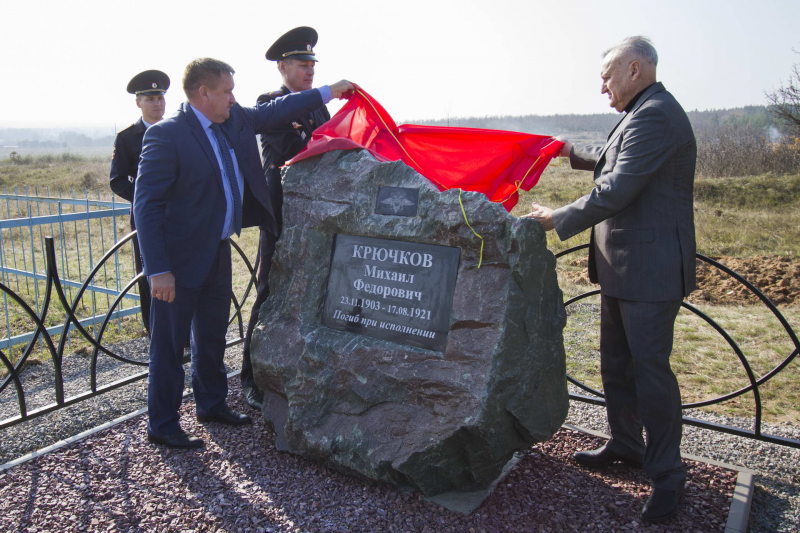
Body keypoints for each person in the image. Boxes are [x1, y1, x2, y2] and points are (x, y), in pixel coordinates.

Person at [134, 57, 353, 449]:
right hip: (178, 260)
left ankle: (212, 403)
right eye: (227, 91)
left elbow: (277, 110)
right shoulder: (167, 135)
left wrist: (328, 91)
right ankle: (163, 422)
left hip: (218, 250)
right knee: (169, 345)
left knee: (213, 334)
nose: (234, 99)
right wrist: (158, 270)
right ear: (204, 93)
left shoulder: (234, 120)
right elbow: (145, 206)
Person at [523, 36, 696, 523]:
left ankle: (667, 477)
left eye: (606, 76)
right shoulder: (642, 110)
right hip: (625, 266)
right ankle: (626, 444)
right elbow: (611, 154)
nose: (602, 87)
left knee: (651, 376)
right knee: (617, 367)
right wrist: (566, 150)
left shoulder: (657, 114)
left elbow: (618, 187)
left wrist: (557, 217)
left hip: (651, 269)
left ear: (635, 69)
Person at [240, 26, 332, 411]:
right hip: (281, 214)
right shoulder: (270, 103)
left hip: (315, 213)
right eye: (301, 63)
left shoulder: (315, 106)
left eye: (312, 63)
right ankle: (249, 377)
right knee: (269, 289)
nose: (309, 70)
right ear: (283, 67)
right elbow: (292, 147)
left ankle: (293, 367)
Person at [109, 70, 170, 336]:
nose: (157, 103)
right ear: (138, 103)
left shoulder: (176, 131)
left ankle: (184, 332)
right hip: (147, 217)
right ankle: (154, 329)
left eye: (160, 98)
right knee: (150, 273)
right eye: (150, 99)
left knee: (184, 272)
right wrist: (146, 196)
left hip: (179, 215)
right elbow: (117, 180)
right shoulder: (127, 138)